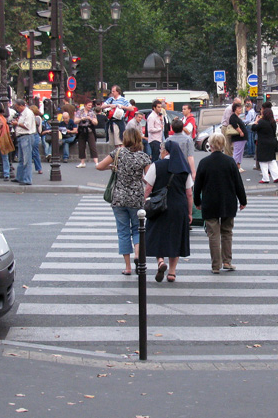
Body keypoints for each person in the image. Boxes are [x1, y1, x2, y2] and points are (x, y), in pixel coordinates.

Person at [95, 127, 151, 275]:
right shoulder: (143, 157)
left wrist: (111, 167)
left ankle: (127, 267)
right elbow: (150, 178)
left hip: (119, 198)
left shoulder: (117, 153)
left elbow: (98, 166)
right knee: (138, 230)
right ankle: (138, 256)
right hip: (136, 198)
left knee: (123, 232)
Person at [194, 132, 247, 274]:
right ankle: (227, 261)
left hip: (210, 203)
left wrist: (197, 202)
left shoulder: (204, 163)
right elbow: (238, 184)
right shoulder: (230, 162)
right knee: (227, 232)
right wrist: (243, 200)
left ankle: (215, 265)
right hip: (227, 202)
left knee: (213, 234)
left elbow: (197, 185)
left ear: (210, 145)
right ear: (223, 145)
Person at [144, 140, 193, 283]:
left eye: (161, 149)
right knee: (175, 238)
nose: (160, 151)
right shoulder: (184, 168)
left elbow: (148, 188)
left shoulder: (156, 166)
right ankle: (172, 272)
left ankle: (160, 261)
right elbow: (189, 193)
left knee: (158, 234)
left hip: (159, 206)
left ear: (166, 151)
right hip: (179, 207)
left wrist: (143, 204)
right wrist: (189, 213)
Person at [252, 106, 278, 184]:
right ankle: (277, 176)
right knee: (271, 160)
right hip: (272, 142)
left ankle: (265, 178)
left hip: (263, 143)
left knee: (263, 161)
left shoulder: (262, 122)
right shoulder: (273, 122)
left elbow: (253, 128)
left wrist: (256, 121)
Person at [11, 99, 36, 186]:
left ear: (22, 105)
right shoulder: (23, 113)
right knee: (21, 159)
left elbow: (27, 126)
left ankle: (27, 179)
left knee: (26, 159)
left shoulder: (28, 113)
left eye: (18, 107)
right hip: (22, 137)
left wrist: (17, 123)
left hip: (26, 136)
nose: (17, 109)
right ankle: (20, 177)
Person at [75, 100, 99, 168]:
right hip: (81, 130)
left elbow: (96, 122)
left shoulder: (92, 113)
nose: (90, 107)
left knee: (92, 146)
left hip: (89, 130)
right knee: (81, 146)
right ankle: (82, 162)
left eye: (91, 105)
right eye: (89, 105)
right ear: (85, 105)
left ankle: (96, 162)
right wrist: (81, 119)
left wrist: (90, 119)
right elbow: (75, 121)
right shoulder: (79, 112)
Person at [228, 101, 247, 171]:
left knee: (240, 152)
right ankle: (233, 167)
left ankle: (238, 166)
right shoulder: (233, 117)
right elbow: (234, 125)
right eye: (239, 108)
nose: (240, 110)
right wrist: (240, 131)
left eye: (241, 108)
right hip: (238, 137)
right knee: (237, 152)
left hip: (241, 138)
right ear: (235, 109)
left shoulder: (237, 117)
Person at [29, 104, 43, 175]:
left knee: (35, 152)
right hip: (30, 134)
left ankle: (39, 168)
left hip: (35, 135)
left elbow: (34, 123)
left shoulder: (37, 117)